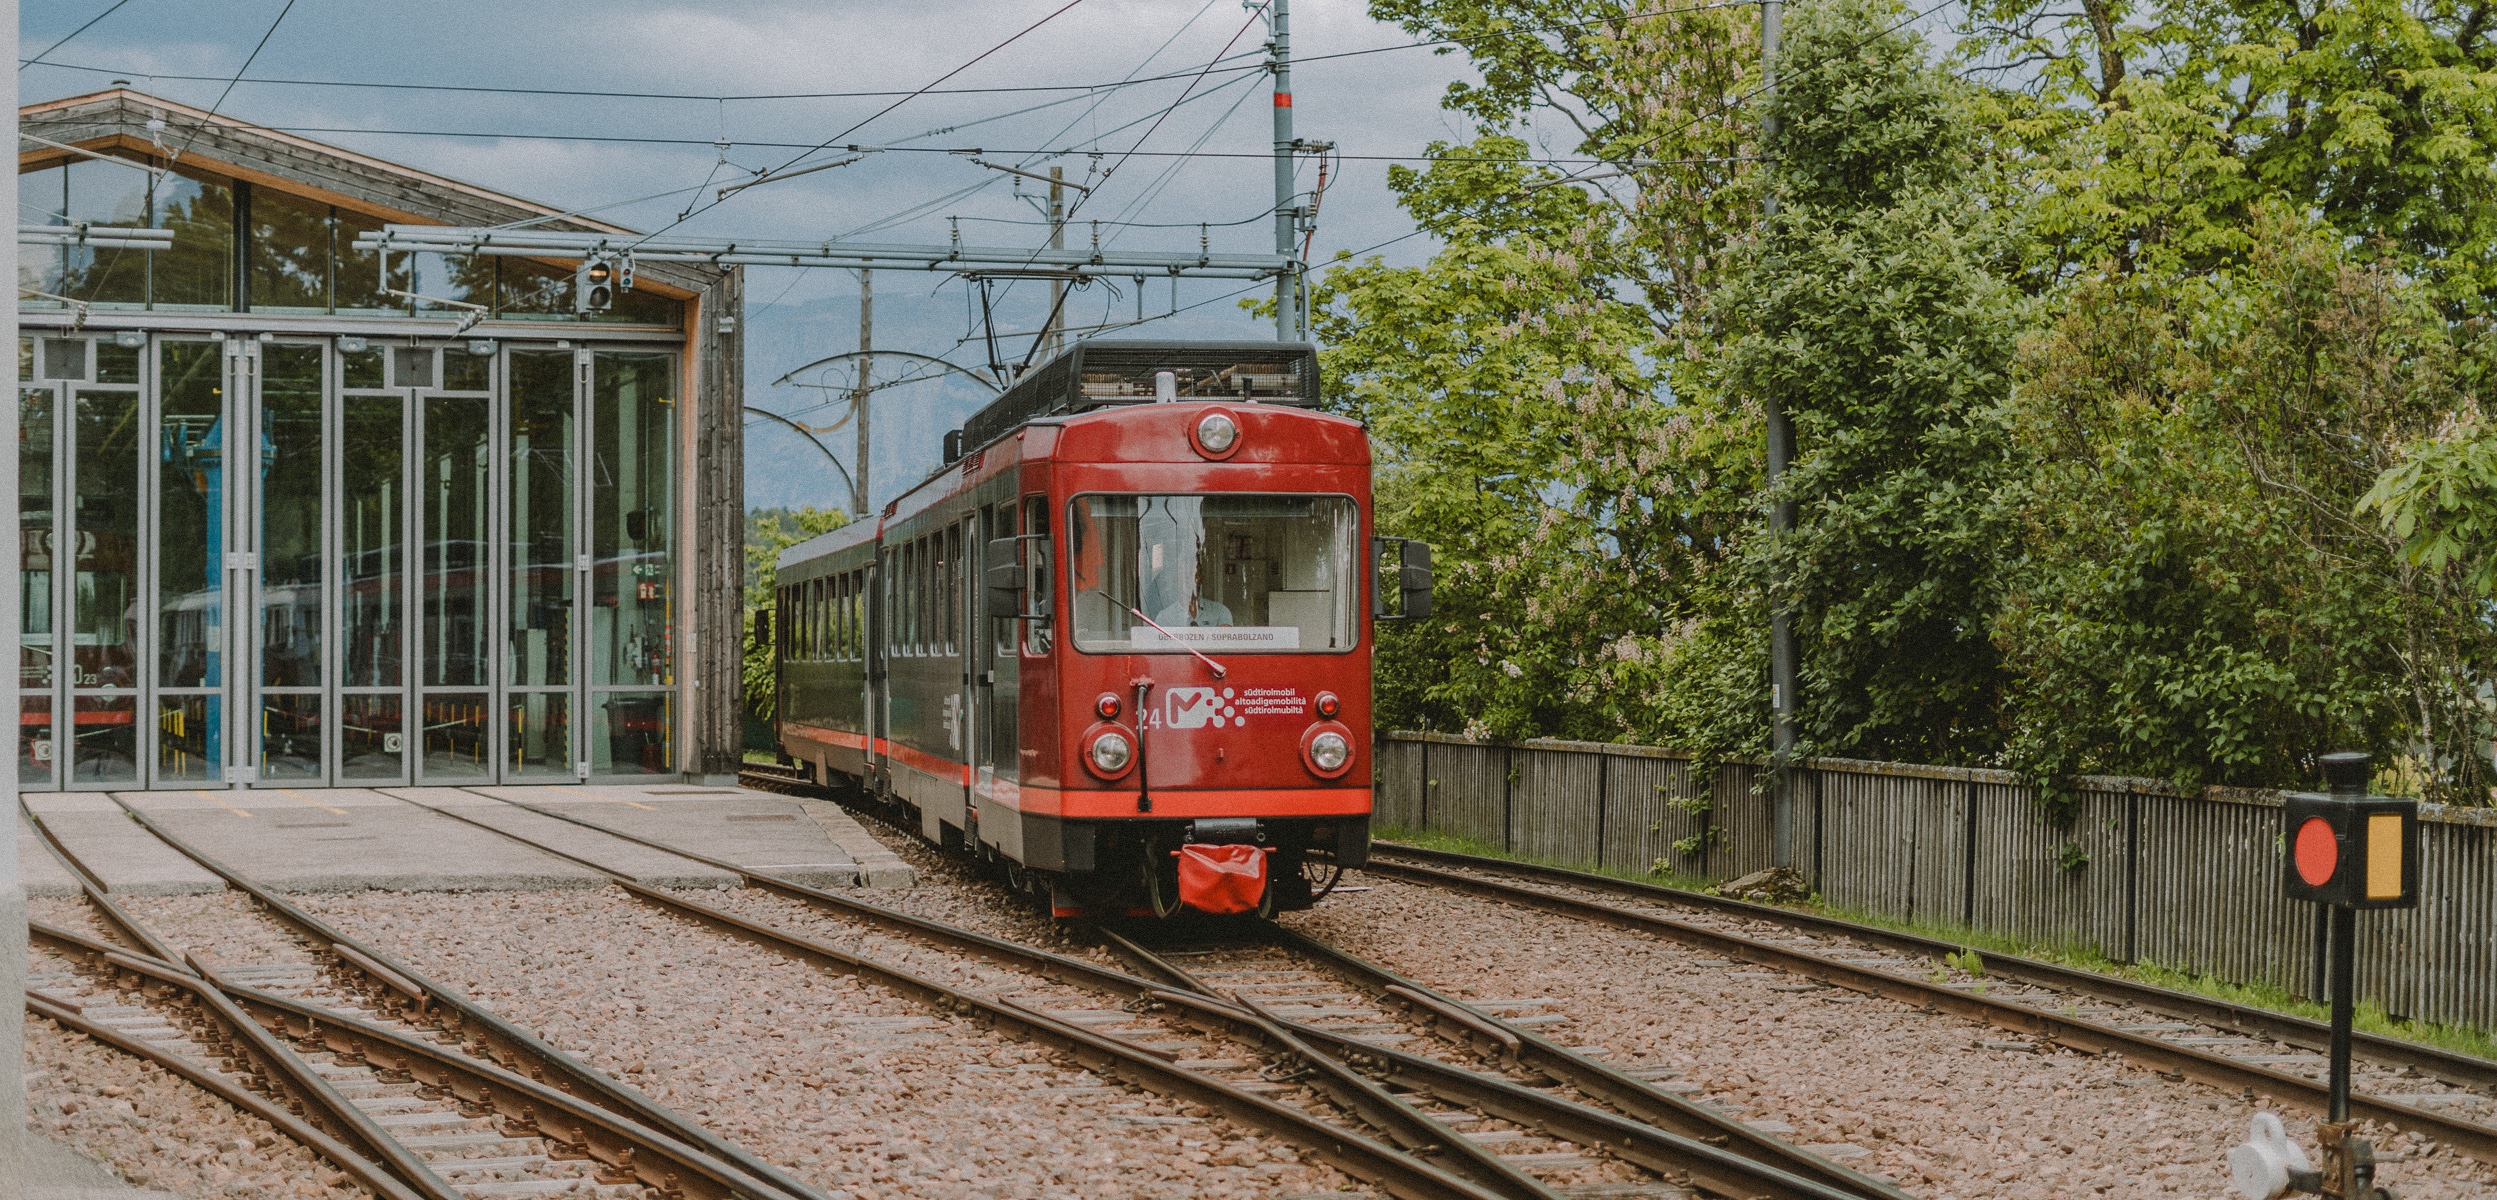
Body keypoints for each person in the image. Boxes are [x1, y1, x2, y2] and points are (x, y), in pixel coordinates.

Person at [1154, 591, 1233, 627]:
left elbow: (1225, 643)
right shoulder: (1164, 617)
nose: (1191, 580)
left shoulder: (1220, 611)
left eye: (1194, 573)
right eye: (1185, 575)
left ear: (1201, 577)